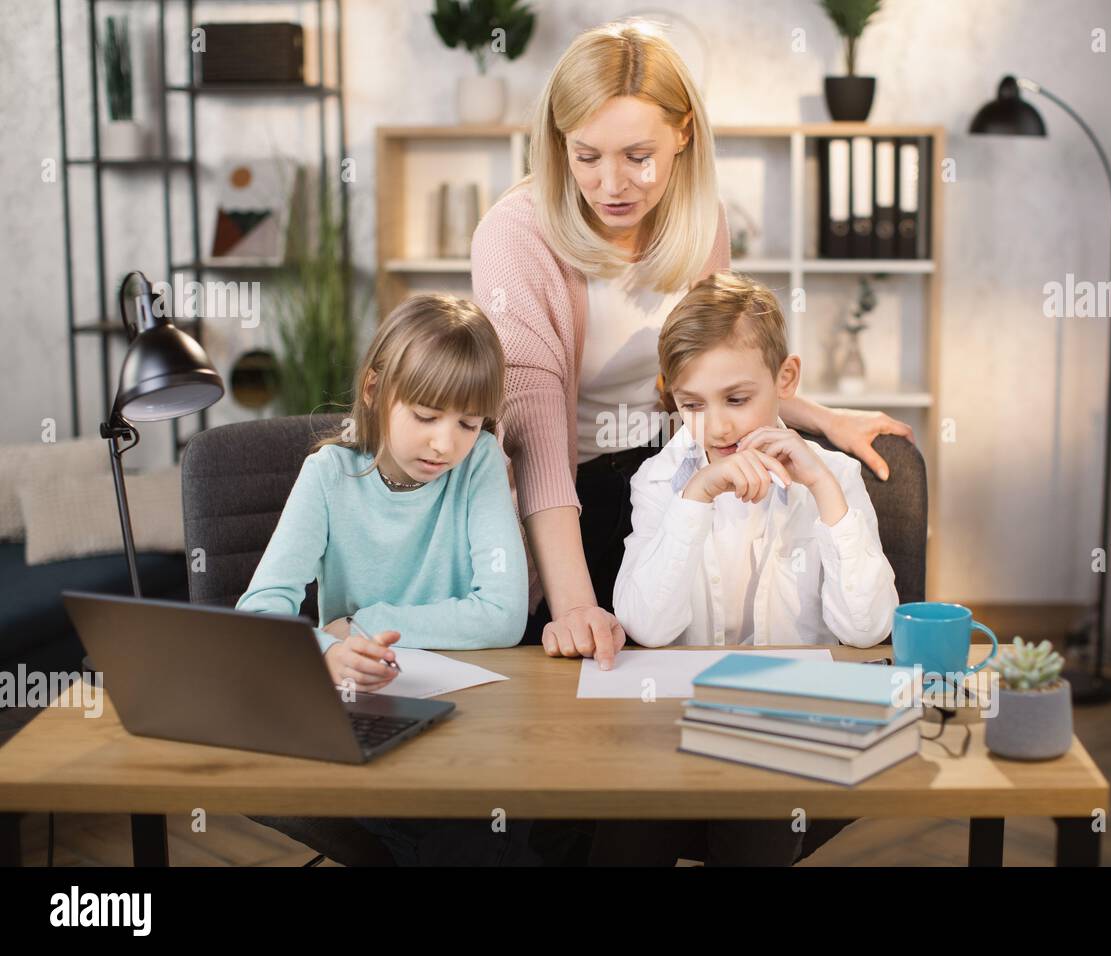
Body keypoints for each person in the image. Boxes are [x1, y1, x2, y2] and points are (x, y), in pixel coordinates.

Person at [470, 19, 914, 674]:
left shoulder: (700, 219)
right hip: (566, 502)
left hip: (669, 477)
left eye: (637, 156)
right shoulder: (516, 236)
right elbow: (532, 437)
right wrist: (571, 604)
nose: (612, 184)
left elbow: (724, 360)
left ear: (683, 134)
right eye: (586, 156)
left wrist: (820, 419)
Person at [586, 271, 898, 866]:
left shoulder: (837, 479)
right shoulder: (661, 480)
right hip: (676, 723)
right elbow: (646, 626)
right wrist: (694, 500)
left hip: (789, 729)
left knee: (753, 818)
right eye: (692, 405)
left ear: (786, 380)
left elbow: (865, 628)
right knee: (629, 825)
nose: (719, 427)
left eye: (736, 399)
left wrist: (822, 491)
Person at [235, 292, 536, 865]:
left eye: (468, 422)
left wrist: (368, 623)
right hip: (368, 715)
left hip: (473, 722)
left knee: (493, 830)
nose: (445, 443)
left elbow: (503, 615)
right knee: (474, 842)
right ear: (375, 390)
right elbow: (260, 609)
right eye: (425, 416)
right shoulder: (328, 476)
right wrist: (326, 651)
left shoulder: (479, 463)